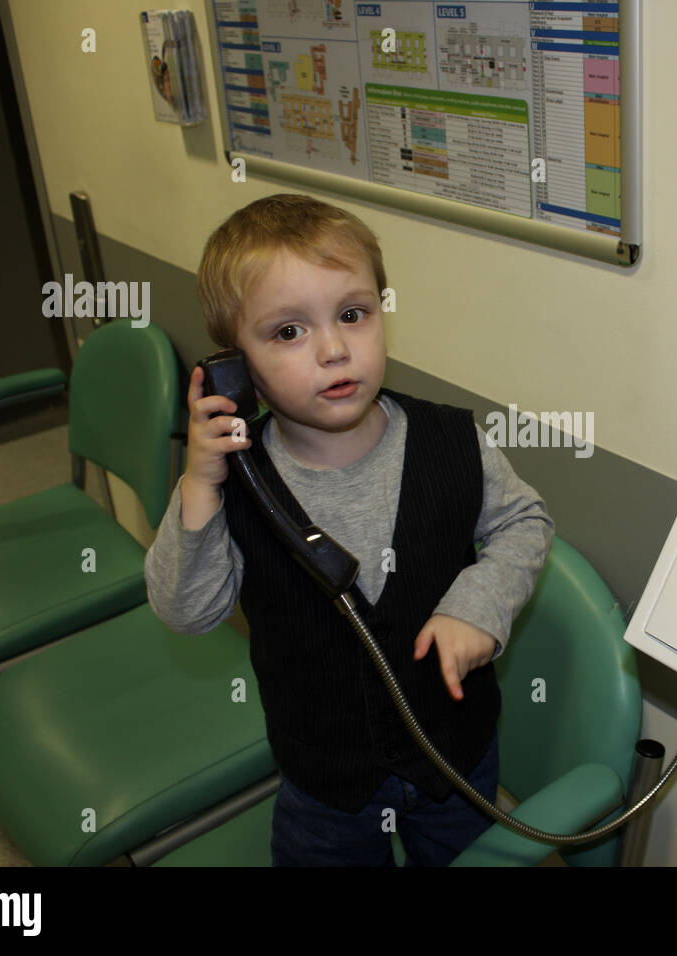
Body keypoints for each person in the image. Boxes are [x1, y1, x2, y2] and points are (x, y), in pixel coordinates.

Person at [144, 193, 554, 866]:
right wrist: (199, 487)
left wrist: (478, 604)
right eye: (287, 332)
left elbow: (525, 521)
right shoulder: (236, 484)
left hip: (455, 762)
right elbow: (187, 612)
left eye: (353, 315)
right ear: (235, 363)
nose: (334, 350)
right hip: (325, 785)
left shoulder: (452, 442)